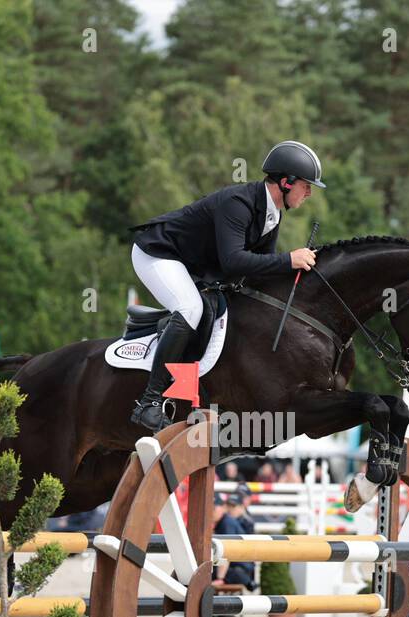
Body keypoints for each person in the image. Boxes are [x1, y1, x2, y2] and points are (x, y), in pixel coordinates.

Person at [127, 141, 326, 432]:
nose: (309, 193)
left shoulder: (273, 214)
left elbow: (258, 270)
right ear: (286, 181)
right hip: (158, 254)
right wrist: (288, 260)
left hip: (191, 266)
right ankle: (149, 402)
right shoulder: (239, 203)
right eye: (306, 186)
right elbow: (234, 262)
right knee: (191, 308)